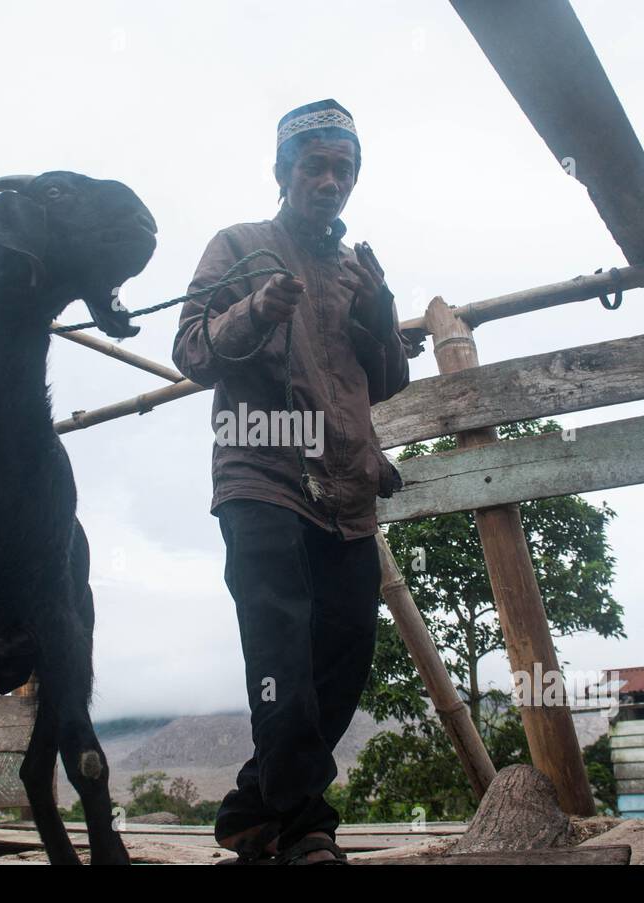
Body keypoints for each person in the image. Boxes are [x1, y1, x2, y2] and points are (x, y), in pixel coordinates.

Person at [171, 99, 412, 864]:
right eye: (315, 165)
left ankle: (250, 808)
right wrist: (253, 308)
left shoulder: (354, 271)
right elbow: (191, 350)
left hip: (346, 493)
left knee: (343, 659)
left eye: (343, 168)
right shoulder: (240, 245)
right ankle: (306, 824)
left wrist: (382, 308)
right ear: (284, 172)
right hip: (262, 472)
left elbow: (385, 383)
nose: (330, 181)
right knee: (281, 652)